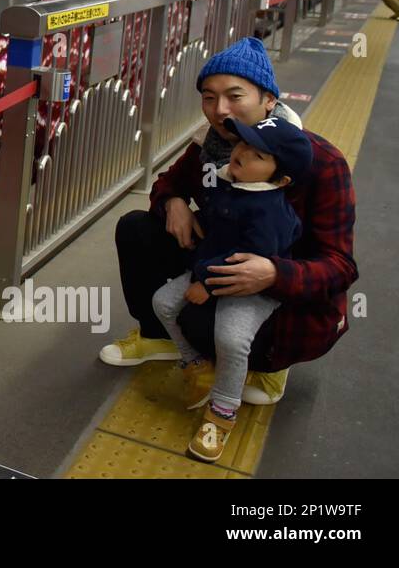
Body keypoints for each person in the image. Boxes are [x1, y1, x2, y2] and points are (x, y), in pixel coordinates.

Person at [101, 36, 357, 409]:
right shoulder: (209, 146)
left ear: (269, 100)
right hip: (218, 265)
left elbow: (341, 266)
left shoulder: (321, 162)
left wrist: (274, 273)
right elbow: (168, 182)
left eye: (235, 96)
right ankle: (159, 338)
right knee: (137, 227)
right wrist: (173, 202)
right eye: (208, 97)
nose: (219, 110)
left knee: (207, 326)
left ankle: (271, 365)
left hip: (282, 294)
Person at [151, 115, 313, 463]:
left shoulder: (269, 211)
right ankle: (198, 366)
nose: (240, 152)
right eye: (242, 143)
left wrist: (205, 284)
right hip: (213, 269)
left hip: (251, 284)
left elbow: (251, 260)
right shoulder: (231, 182)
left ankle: (222, 412)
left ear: (281, 178)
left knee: (231, 338)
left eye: (257, 154)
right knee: (162, 302)